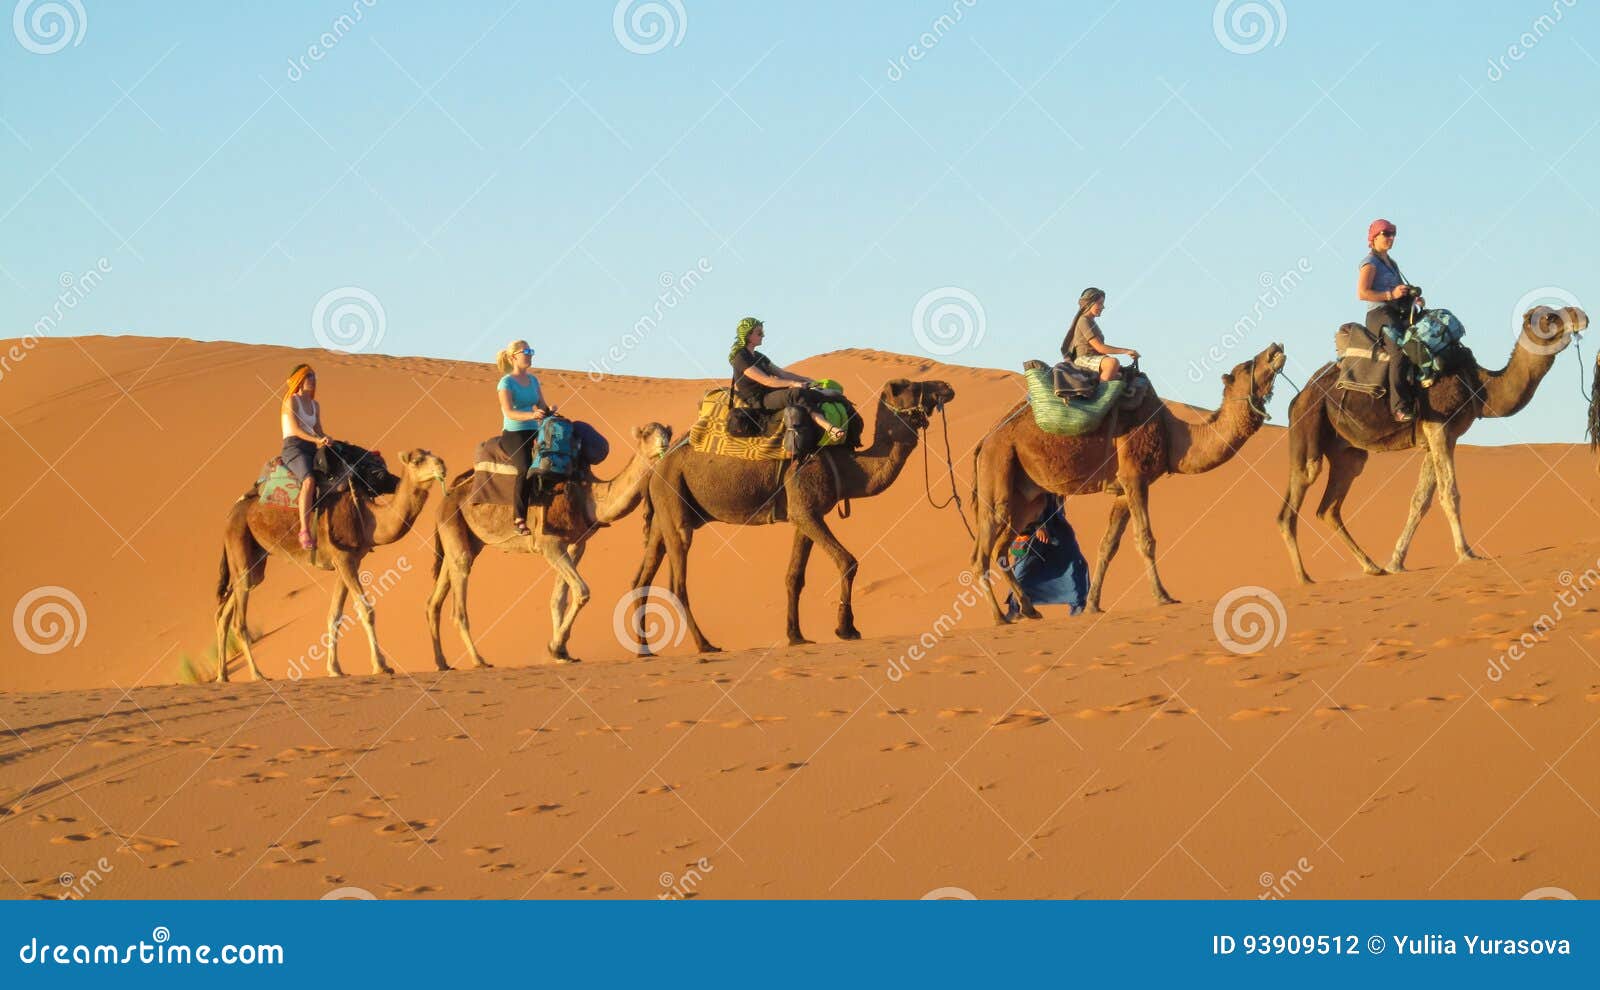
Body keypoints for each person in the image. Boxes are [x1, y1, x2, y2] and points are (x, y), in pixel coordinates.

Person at [728, 317, 846, 443]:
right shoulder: (740, 357)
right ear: (748, 335)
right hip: (758, 400)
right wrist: (795, 384)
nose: (763, 336)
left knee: (817, 392)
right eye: (759, 333)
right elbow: (766, 381)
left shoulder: (758, 356)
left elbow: (781, 373)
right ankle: (828, 427)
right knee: (796, 393)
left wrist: (808, 381)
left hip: (770, 394)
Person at [1357, 218, 1423, 422]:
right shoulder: (1370, 262)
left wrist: (1413, 298)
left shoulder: (1391, 263)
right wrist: (1390, 295)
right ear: (1374, 237)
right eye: (1386, 234)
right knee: (1400, 350)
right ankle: (1399, 407)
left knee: (1428, 336)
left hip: (1397, 311)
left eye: (1392, 234)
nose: (1390, 238)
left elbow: (1399, 292)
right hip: (1379, 314)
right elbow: (1362, 293)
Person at [496, 339, 555, 537]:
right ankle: (519, 518)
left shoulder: (534, 380)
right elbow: (509, 412)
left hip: (535, 430)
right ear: (513, 357)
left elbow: (542, 405)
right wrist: (532, 415)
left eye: (531, 351)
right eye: (526, 351)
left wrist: (549, 411)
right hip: (514, 433)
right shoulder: (506, 382)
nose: (530, 355)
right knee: (524, 468)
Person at [1003, 498, 1089, 619]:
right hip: (1029, 522)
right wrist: (1038, 524)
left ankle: (1079, 606)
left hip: (1054, 521)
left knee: (1074, 562)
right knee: (1023, 569)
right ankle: (1016, 608)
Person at [280, 363, 332, 551]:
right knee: (309, 480)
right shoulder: (291, 401)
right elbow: (294, 429)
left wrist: (325, 439)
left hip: (311, 446)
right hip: (294, 448)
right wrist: (315, 439)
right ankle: (304, 530)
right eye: (308, 376)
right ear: (299, 380)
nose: (312, 379)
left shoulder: (315, 405)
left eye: (314, 376)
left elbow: (318, 429)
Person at [1060, 287, 1139, 382]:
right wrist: (1126, 351)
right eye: (1100, 303)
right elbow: (1099, 347)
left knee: (1122, 375)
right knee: (1112, 363)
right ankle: (1102, 395)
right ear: (1089, 304)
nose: (1103, 307)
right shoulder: (1083, 320)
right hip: (1084, 359)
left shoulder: (1091, 322)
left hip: (1095, 358)